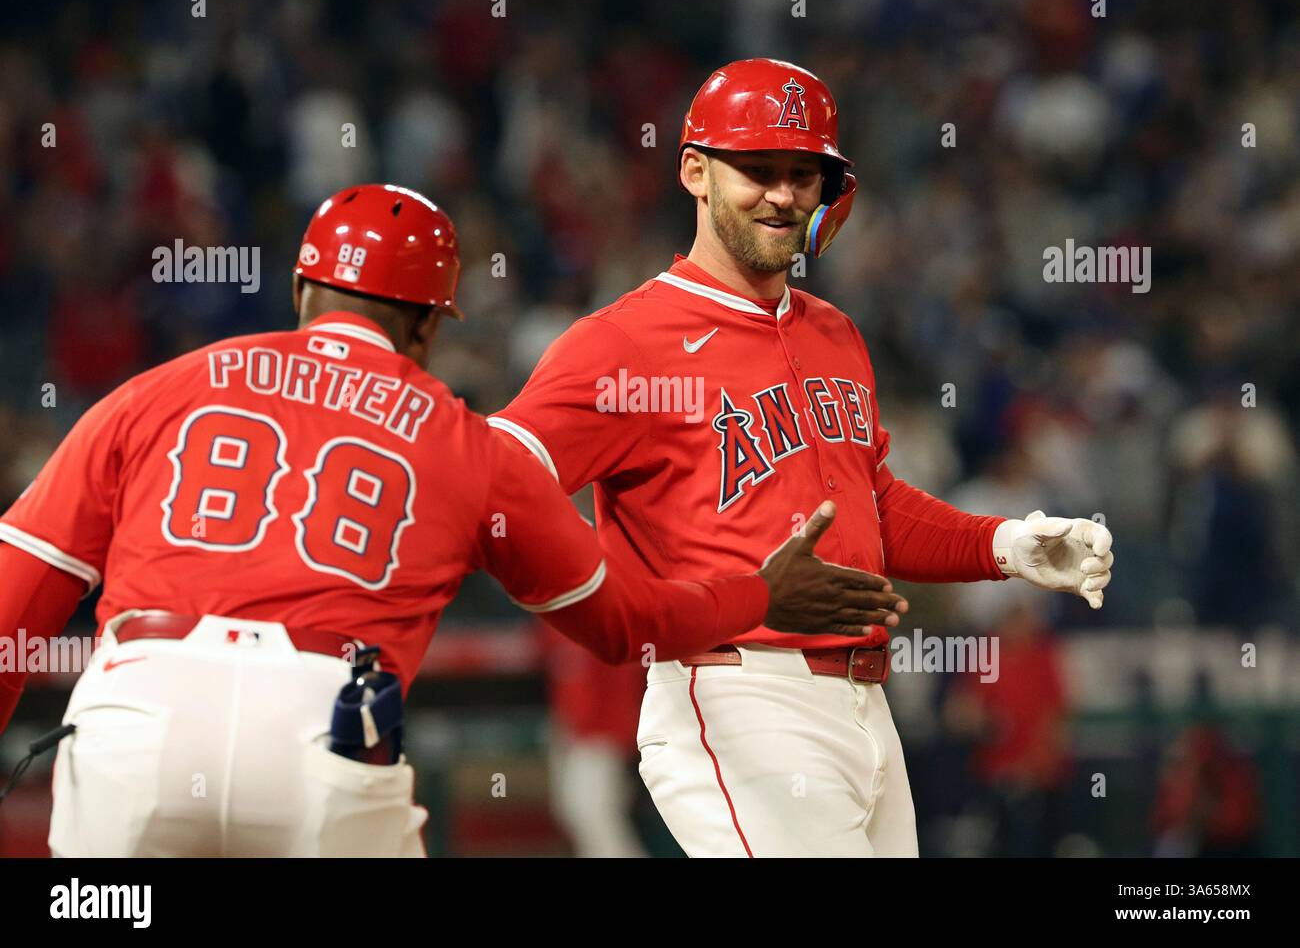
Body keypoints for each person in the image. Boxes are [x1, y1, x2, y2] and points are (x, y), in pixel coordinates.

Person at [0, 183, 905, 857]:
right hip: (327, 731)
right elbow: (627, 623)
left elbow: (15, 601)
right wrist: (759, 589)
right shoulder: (469, 444)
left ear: (302, 291)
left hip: (138, 713)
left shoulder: (159, 390)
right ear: (432, 325)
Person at [490, 60, 1115, 857]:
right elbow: (499, 477)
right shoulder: (623, 342)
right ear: (694, 170)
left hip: (867, 707)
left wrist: (1004, 546)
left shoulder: (836, 332)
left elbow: (875, 500)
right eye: (756, 170)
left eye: (802, 173)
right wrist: (627, 607)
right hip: (736, 691)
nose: (782, 195)